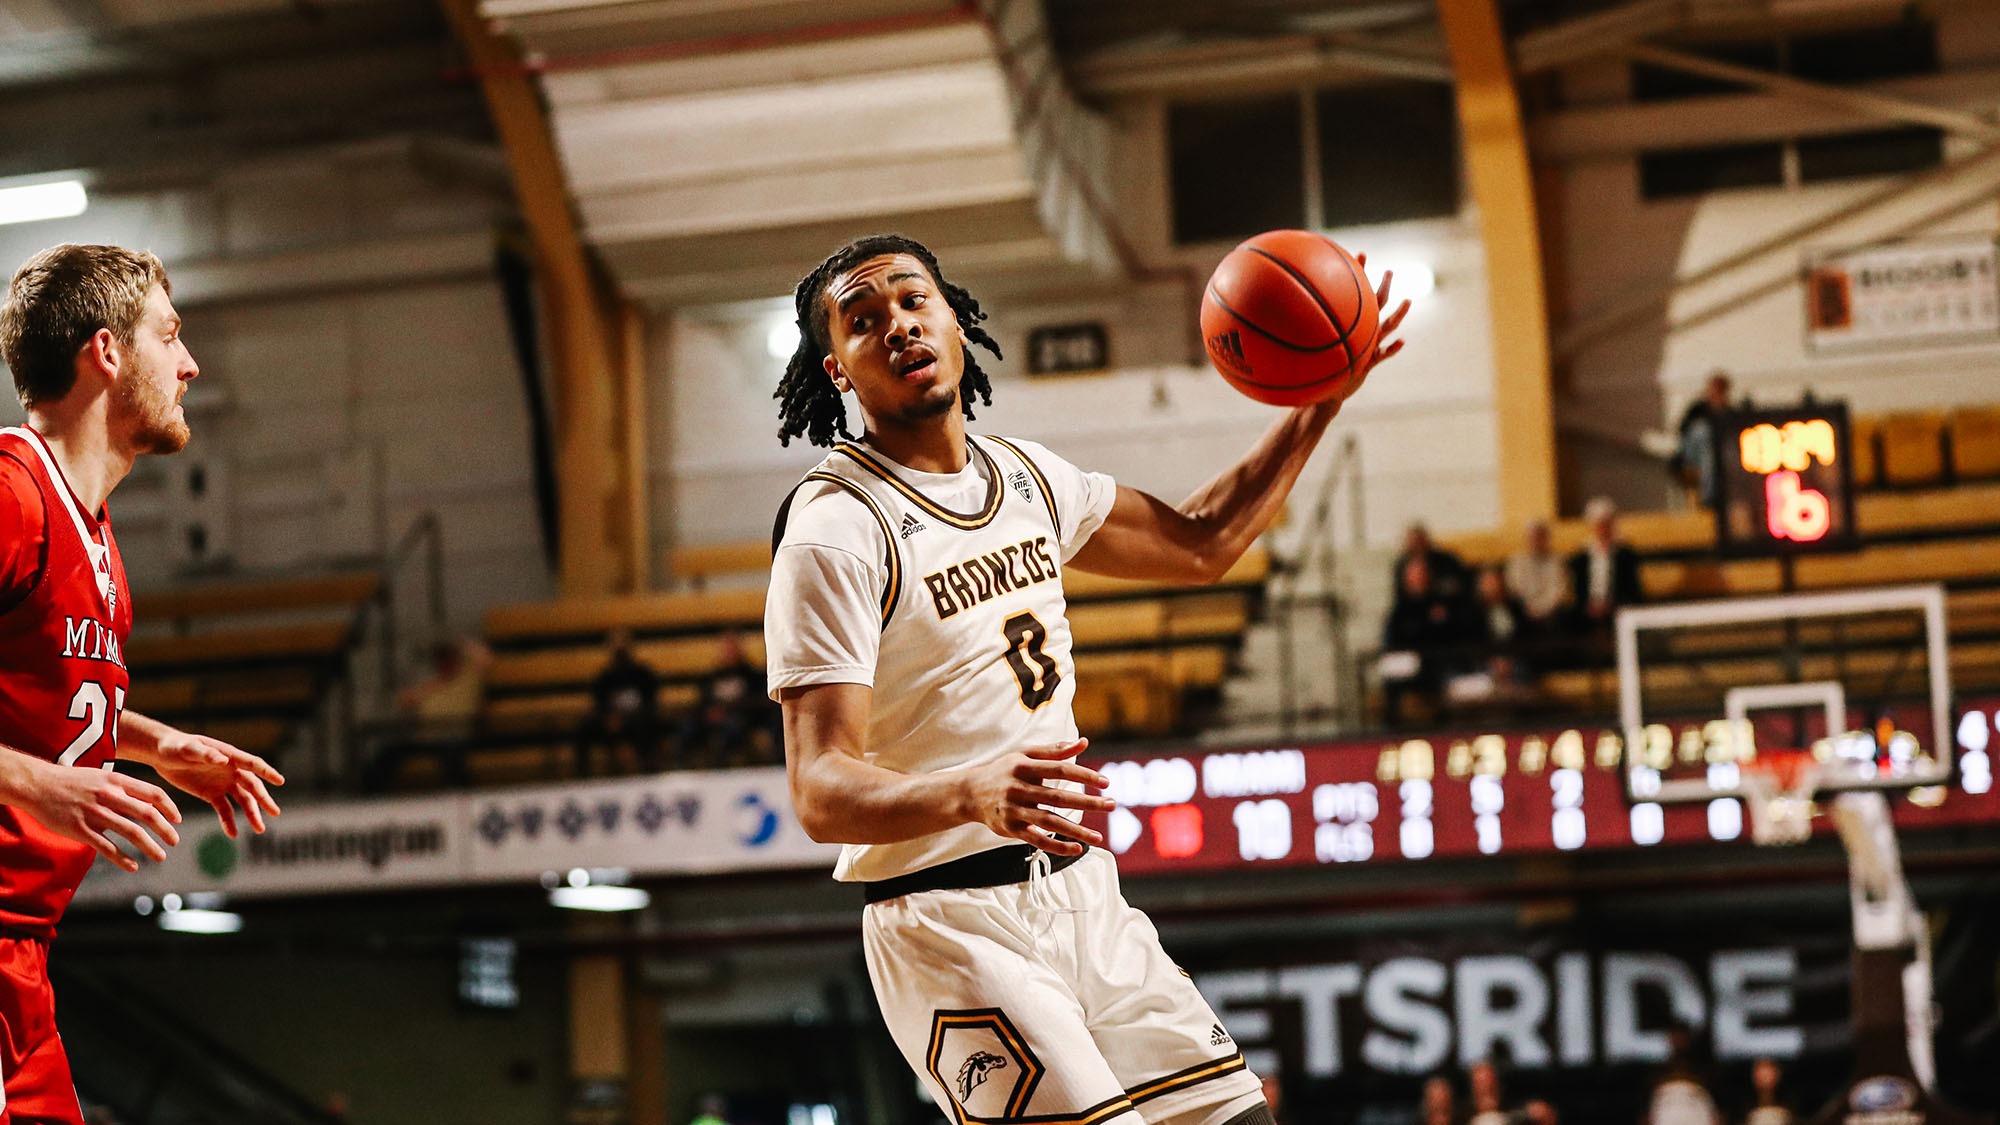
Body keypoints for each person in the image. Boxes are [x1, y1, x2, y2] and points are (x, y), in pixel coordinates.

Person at [763, 234, 1406, 1125]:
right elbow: (819, 787)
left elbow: (1203, 542)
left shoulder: (1026, 478)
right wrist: (968, 791)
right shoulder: (834, 528)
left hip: (1085, 896)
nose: (899, 326)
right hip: (949, 922)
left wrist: (1317, 402)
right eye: (865, 321)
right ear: (839, 369)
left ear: (955, 320)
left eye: (914, 300)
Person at [0, 243, 284, 1125]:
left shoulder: (92, 530)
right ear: (107, 351)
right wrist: (35, 781)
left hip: (22, 960)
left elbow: (35, 687)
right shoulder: (12, 497)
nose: (190, 364)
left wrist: (158, 744)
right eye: (171, 334)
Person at [676, 629, 782, 768]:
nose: (729, 652)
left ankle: (728, 767)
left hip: (743, 720)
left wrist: (730, 710)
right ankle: (685, 769)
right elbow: (702, 702)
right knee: (688, 728)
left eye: (732, 648)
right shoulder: (711, 677)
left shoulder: (753, 676)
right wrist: (711, 713)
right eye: (726, 648)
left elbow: (760, 702)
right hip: (712, 721)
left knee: (732, 727)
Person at [577, 628, 661, 775]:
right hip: (610, 722)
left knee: (647, 724)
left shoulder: (643, 675)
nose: (620, 651)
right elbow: (598, 704)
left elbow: (651, 702)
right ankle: (582, 774)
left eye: (623, 647)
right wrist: (609, 718)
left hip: (637, 721)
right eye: (616, 647)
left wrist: (625, 719)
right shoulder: (604, 678)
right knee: (584, 728)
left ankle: (647, 770)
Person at [1567, 497, 1641, 649]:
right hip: (1588, 610)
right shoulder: (1582, 557)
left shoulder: (1625, 554)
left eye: (1607, 525)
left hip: (1617, 607)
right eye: (1600, 525)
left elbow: (1633, 589)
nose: (1603, 529)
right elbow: (1578, 589)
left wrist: (1611, 605)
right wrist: (1590, 606)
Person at [1670, 371, 1733, 507]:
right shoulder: (1697, 410)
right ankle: (1709, 498)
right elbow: (1684, 434)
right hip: (1692, 454)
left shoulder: (1728, 411)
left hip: (1718, 455)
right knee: (1704, 436)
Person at [1502, 520, 1569, 632]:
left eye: (1541, 537)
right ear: (1527, 539)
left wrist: (1541, 609)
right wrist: (1530, 608)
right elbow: (1514, 589)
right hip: (1523, 610)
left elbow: (1558, 591)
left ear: (1547, 539)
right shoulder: (1516, 561)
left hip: (1551, 612)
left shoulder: (1558, 560)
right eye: (1533, 537)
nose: (1537, 541)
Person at [1742, 1058, 1793, 1125]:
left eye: (1768, 1072)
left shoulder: (1786, 1113)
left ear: (1777, 1075)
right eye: (1760, 1072)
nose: (1764, 1077)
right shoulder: (1748, 1113)